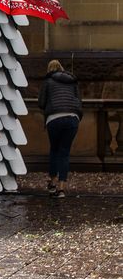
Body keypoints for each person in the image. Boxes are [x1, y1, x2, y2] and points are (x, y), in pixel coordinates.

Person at [38, 59, 82, 199]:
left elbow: (41, 102)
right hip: (72, 118)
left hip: (54, 118)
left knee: (54, 150)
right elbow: (78, 100)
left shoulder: (48, 81)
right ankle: (62, 188)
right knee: (64, 152)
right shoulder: (72, 80)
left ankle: (52, 183)